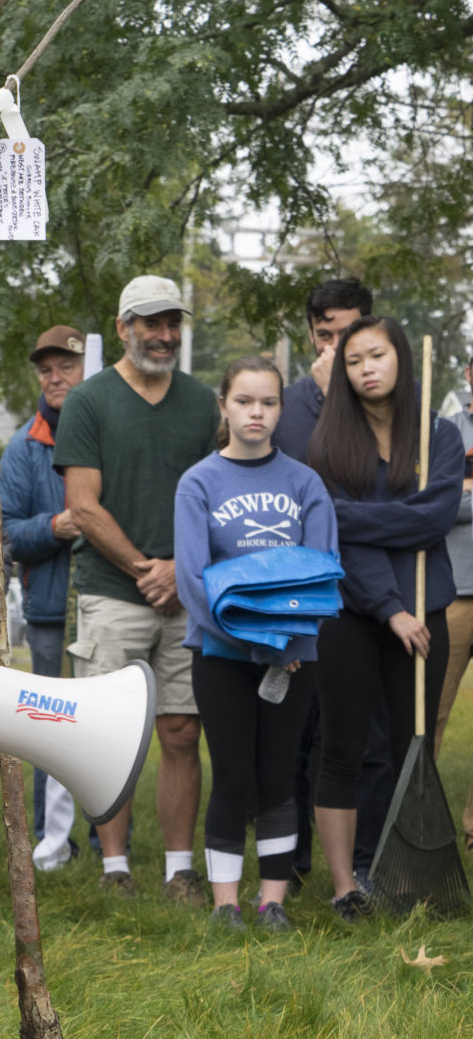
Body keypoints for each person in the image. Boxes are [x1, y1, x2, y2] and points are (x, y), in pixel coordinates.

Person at [55, 275, 219, 901]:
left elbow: (216, 497)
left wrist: (180, 568)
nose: (164, 334)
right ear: (124, 328)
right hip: (109, 593)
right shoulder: (89, 401)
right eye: (151, 323)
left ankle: (181, 868)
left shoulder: (203, 403)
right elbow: (82, 505)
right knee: (108, 737)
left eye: (172, 322)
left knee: (182, 732)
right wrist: (147, 570)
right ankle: (115, 869)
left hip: (187, 594)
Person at [174, 360, 338, 932]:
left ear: (280, 410)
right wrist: (254, 640)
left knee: (277, 775)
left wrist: (287, 641)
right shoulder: (198, 483)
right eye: (244, 401)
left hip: (294, 657)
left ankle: (272, 902)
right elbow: (194, 582)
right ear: (224, 405)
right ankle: (226, 904)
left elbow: (318, 575)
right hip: (220, 656)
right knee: (232, 777)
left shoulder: (305, 483)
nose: (256, 413)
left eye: (267, 403)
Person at [309, 316, 464, 918]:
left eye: (376, 355)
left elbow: (433, 520)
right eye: (353, 360)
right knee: (343, 747)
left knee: (411, 744)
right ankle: (348, 885)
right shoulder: (329, 442)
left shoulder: (438, 437)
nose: (366, 368)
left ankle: (403, 874)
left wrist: (358, 518)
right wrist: (389, 607)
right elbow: (334, 535)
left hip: (426, 610)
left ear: (400, 358)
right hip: (352, 611)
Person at [273, 277, 381, 890]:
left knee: (361, 739)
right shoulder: (289, 404)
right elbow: (304, 490)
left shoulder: (387, 400)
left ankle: (366, 862)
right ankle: (288, 864)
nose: (337, 349)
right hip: (299, 596)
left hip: (368, 595)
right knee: (294, 734)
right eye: (325, 336)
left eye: (349, 335)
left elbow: (370, 486)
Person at [0, 324, 85, 859]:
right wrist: (55, 527)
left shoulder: (107, 431)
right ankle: (50, 837)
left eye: (67, 367)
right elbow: (6, 534)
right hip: (51, 609)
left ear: (85, 369)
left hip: (108, 605)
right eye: (46, 370)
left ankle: (105, 837)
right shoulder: (23, 447)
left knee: (105, 730)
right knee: (53, 728)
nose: (56, 378)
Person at [434, 369, 473, 851]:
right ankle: (411, 825)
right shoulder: (446, 433)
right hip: (453, 594)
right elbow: (438, 504)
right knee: (429, 716)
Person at [274, 277, 374, 462]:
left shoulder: (398, 396)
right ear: (311, 335)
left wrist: (333, 391)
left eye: (347, 333)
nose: (336, 345)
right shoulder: (283, 406)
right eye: (324, 335)